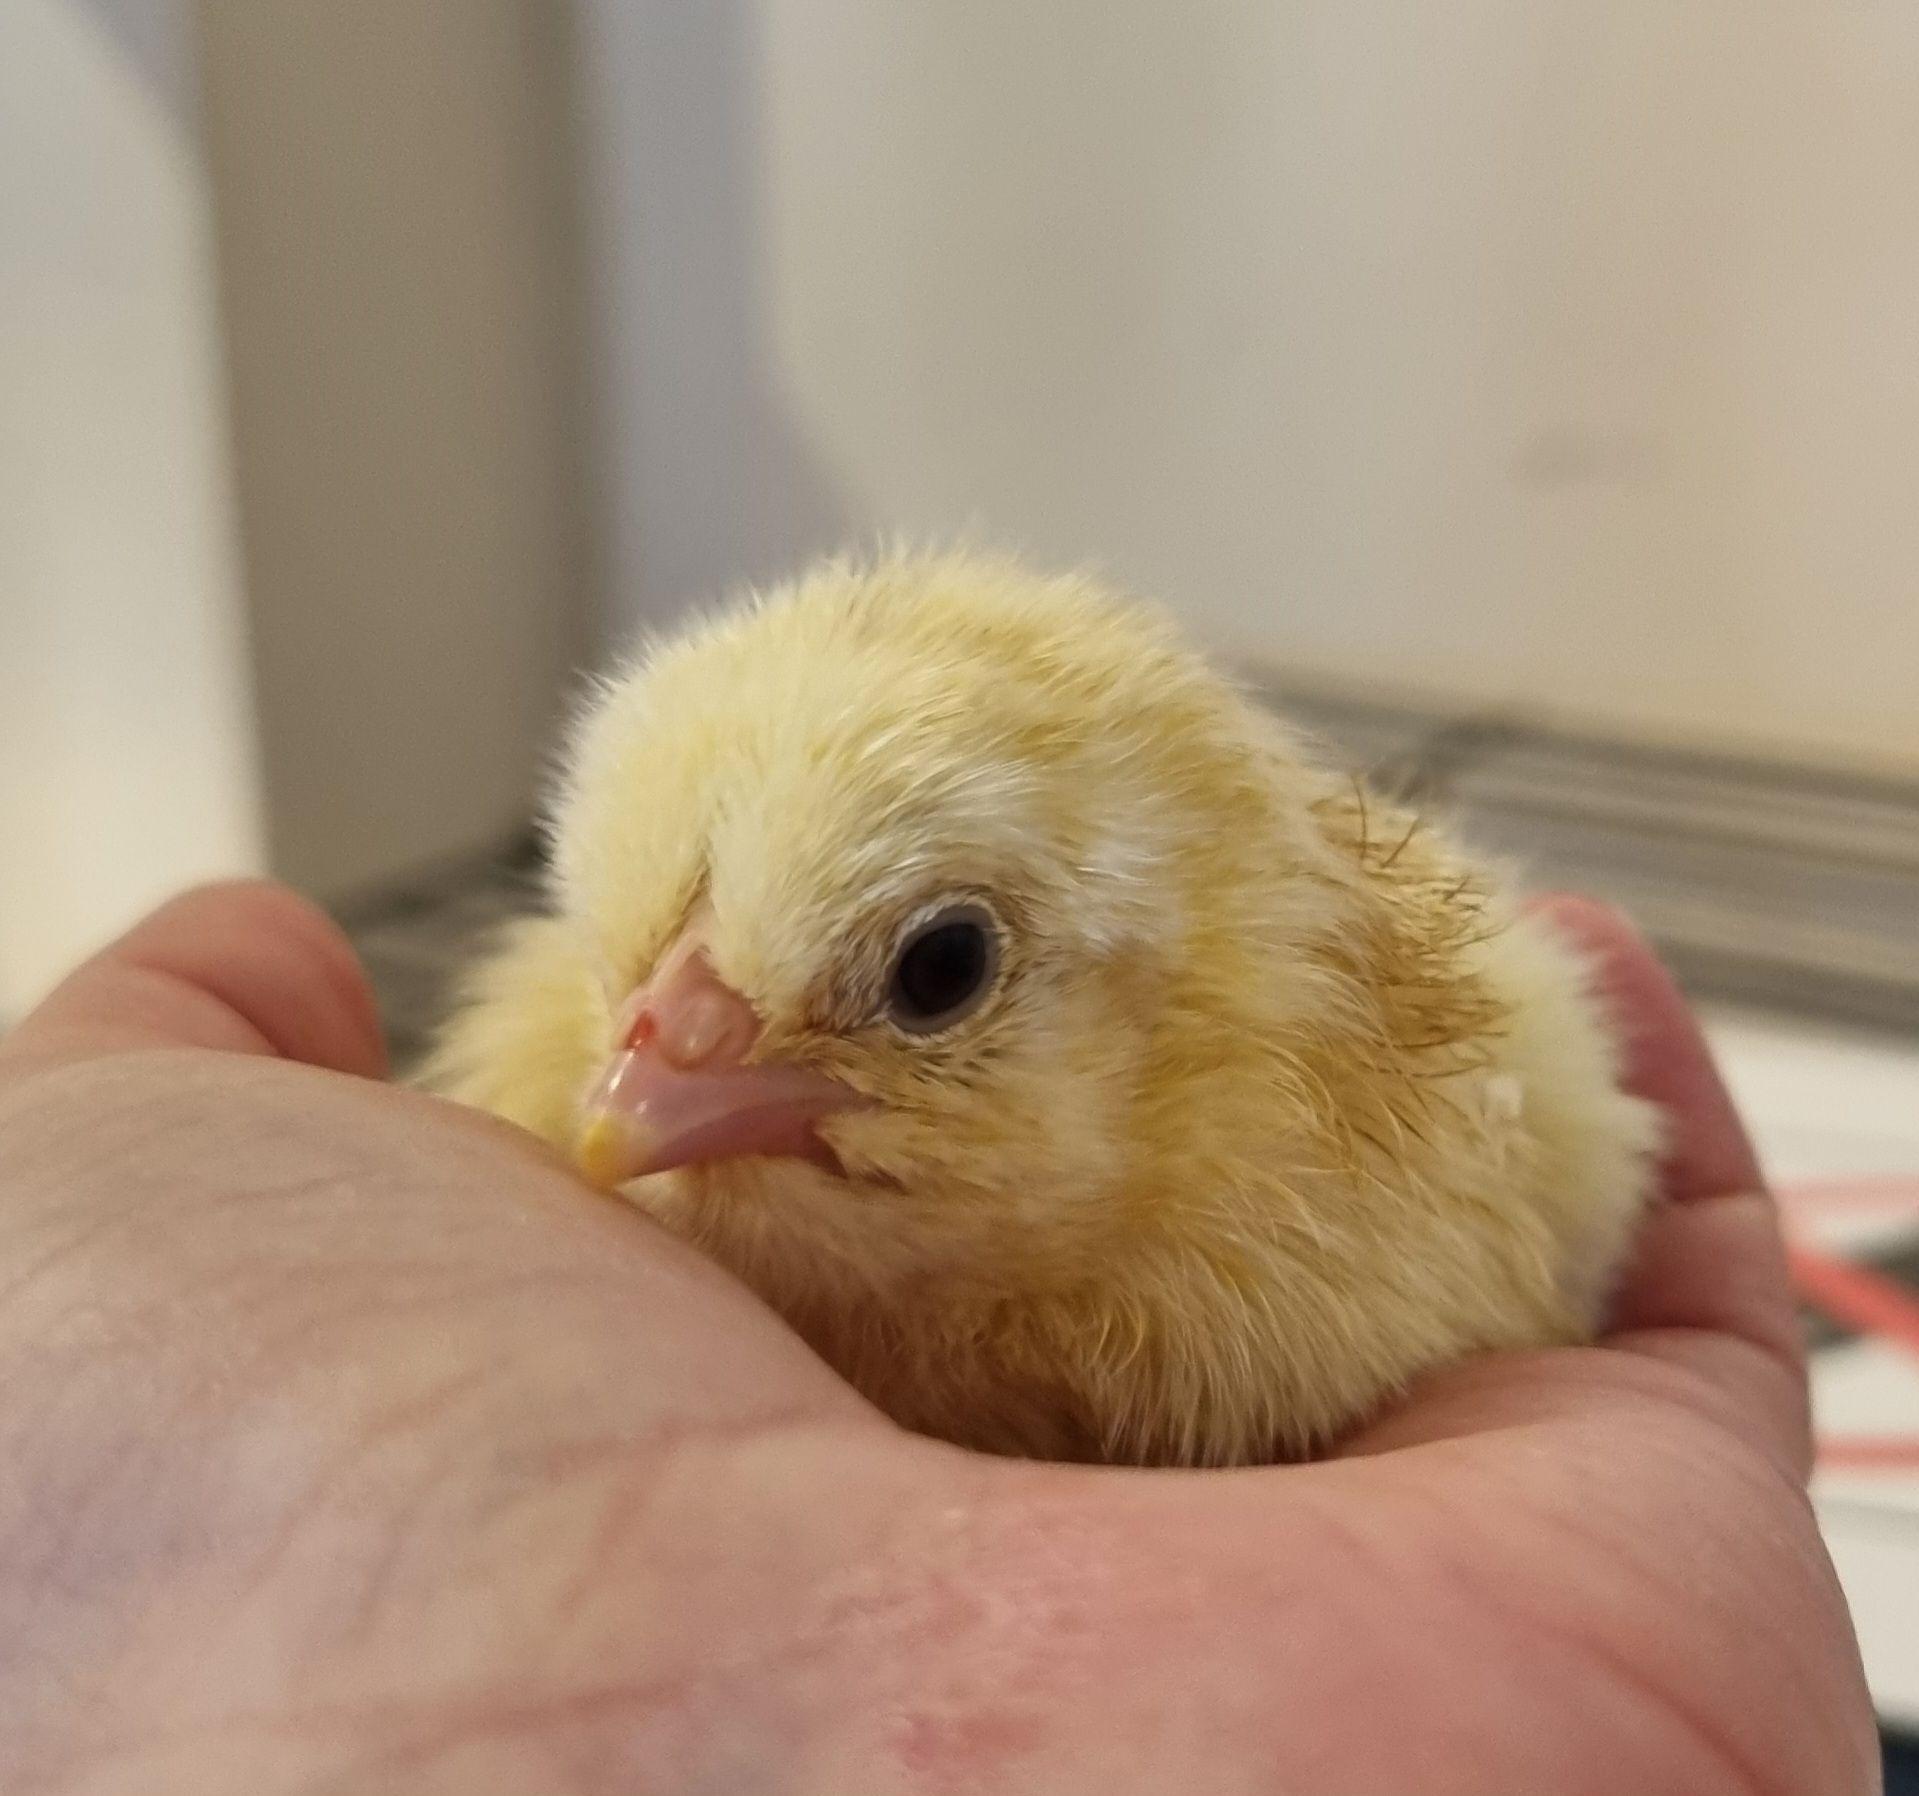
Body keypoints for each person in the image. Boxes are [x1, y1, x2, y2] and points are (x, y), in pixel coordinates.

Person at [0, 881, 1877, 1793]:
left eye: (936, 976)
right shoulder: (542, 1108)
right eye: (625, 965)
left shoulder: (1399, 1135)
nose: (627, 1085)